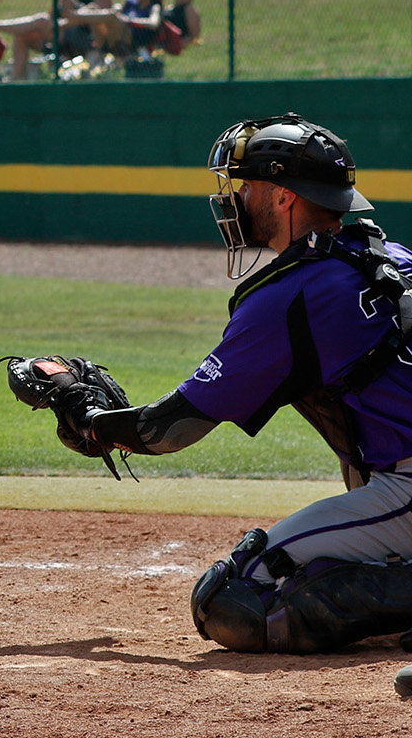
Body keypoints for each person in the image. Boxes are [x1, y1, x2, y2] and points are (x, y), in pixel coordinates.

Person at [40, 114, 412, 654]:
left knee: (233, 599)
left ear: (283, 199)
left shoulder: (290, 295)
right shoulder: (394, 257)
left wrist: (86, 414)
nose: (235, 198)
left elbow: (170, 430)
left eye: (247, 185)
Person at [0, 0, 121, 79]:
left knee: (42, 21)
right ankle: (17, 80)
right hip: (61, 36)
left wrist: (66, 18)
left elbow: (97, 18)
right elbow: (56, 13)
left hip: (85, 38)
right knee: (22, 37)